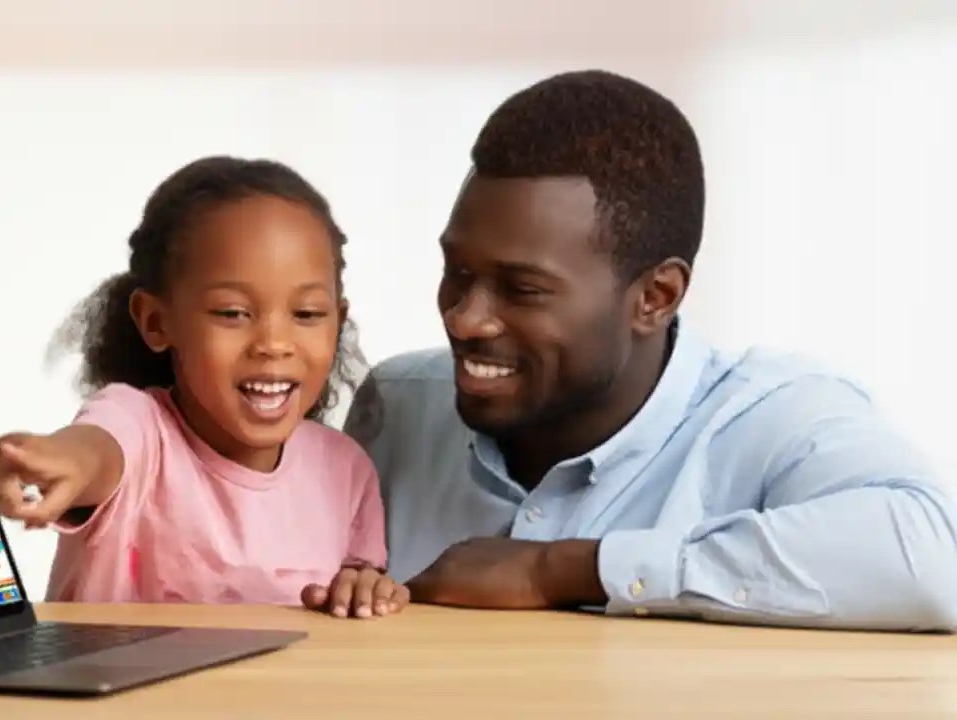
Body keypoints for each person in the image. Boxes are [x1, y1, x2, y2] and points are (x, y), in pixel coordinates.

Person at [345, 69, 957, 632]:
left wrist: (560, 571)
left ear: (655, 297)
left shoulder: (770, 417)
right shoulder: (398, 407)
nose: (464, 317)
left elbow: (936, 558)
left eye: (522, 289)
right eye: (457, 270)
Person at [0, 156, 408, 619]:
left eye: (306, 314)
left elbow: (358, 592)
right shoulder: (139, 428)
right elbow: (92, 451)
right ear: (157, 322)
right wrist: (42, 462)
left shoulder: (345, 470)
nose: (274, 344)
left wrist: (365, 589)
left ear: (337, 321)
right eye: (232, 313)